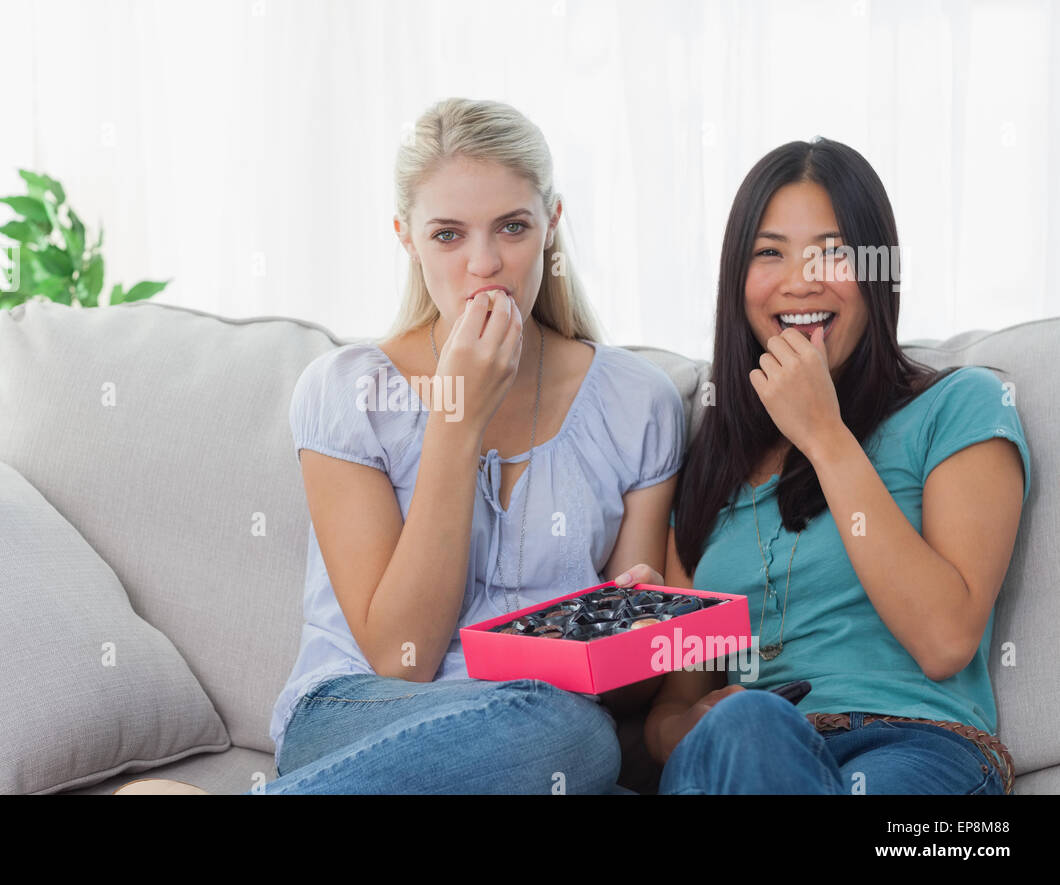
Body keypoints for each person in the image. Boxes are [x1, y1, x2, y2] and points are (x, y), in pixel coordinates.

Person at [244, 97, 690, 794]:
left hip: (541, 730)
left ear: (552, 226)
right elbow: (401, 657)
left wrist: (634, 625)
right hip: (362, 711)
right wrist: (457, 420)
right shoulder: (347, 391)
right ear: (407, 239)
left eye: (512, 227)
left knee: (577, 736)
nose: (485, 264)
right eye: (448, 235)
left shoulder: (640, 403)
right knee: (571, 738)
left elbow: (627, 699)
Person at [623, 137, 1030, 795]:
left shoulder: (963, 406)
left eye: (832, 252)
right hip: (742, 753)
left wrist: (824, 435)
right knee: (750, 724)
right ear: (738, 281)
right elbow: (672, 709)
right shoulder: (709, 466)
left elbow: (945, 639)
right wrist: (692, 715)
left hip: (915, 744)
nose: (801, 279)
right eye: (770, 252)